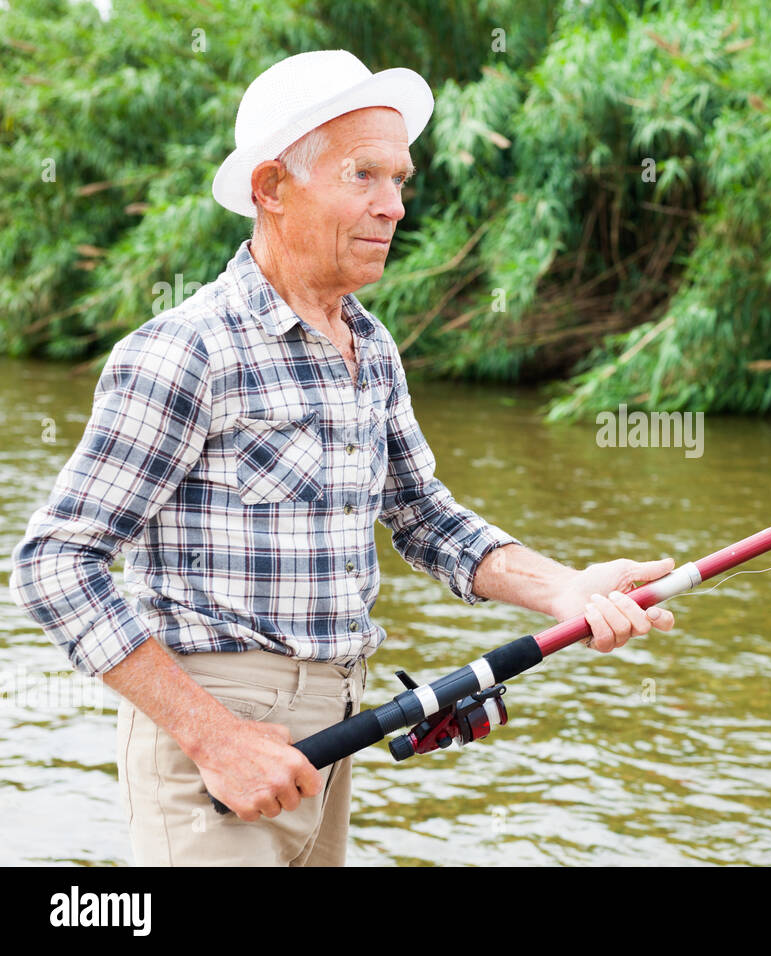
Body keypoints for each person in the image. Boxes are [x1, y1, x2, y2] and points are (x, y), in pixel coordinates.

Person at [8, 50, 675, 866]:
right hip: (216, 743)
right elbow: (54, 564)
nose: (394, 206)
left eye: (400, 179)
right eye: (364, 176)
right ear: (272, 189)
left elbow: (424, 515)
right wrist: (216, 740)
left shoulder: (369, 340)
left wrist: (565, 590)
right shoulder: (186, 350)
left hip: (339, 725)